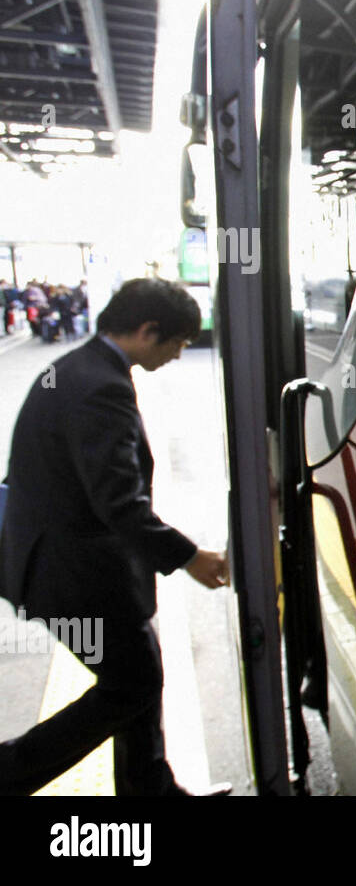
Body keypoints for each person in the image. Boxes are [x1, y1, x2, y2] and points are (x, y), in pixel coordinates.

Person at [0, 278, 229, 796]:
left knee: (139, 675)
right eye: (178, 342)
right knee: (133, 683)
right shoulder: (100, 388)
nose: (179, 353)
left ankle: (150, 790)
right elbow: (119, 503)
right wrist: (189, 557)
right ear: (148, 331)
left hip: (58, 565)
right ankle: (11, 772)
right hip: (71, 576)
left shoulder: (75, 369)